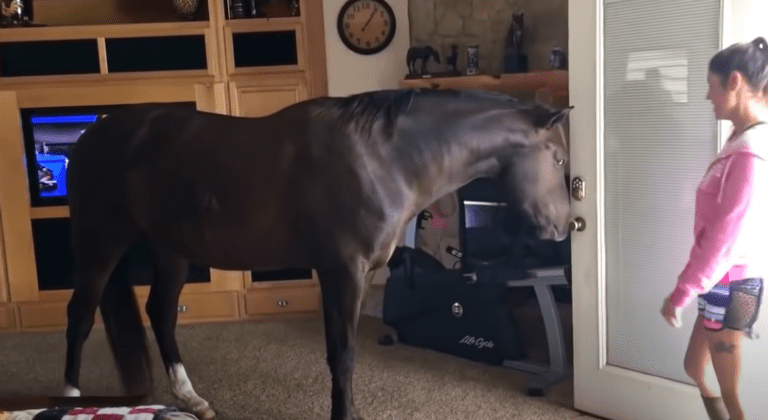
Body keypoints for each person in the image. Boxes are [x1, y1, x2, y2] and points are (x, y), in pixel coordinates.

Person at [661, 36, 768, 420]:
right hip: (721, 280)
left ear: (734, 82)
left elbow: (726, 235)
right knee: (694, 367)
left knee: (732, 394)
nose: (708, 95)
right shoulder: (740, 140)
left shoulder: (750, 152)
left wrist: (682, 292)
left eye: (711, 85)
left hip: (732, 280)